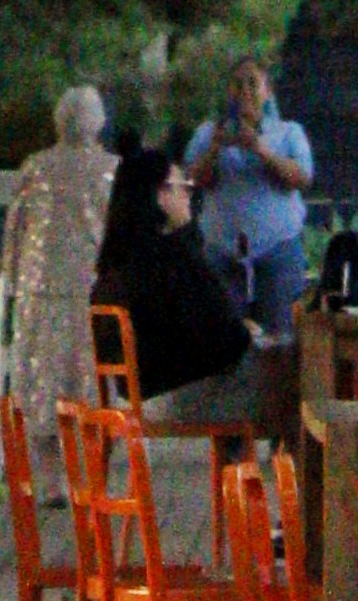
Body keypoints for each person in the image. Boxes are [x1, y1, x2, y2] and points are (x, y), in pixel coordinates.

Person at [95, 140, 277, 431]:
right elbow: (227, 341)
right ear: (160, 195)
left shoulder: (115, 263)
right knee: (282, 376)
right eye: (185, 187)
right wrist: (245, 332)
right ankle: (261, 472)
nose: (190, 196)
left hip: (132, 396)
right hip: (175, 398)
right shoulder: (174, 258)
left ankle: (235, 469)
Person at [0, 83, 112, 491]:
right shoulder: (110, 170)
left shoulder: (36, 166)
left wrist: (10, 276)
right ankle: (89, 476)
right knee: (87, 380)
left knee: (43, 381)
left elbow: (15, 225)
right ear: (98, 122)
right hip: (91, 287)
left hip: (39, 284)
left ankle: (51, 479)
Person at [183, 56, 314, 332]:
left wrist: (260, 149)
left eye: (253, 84)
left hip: (278, 252)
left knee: (280, 339)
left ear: (267, 91)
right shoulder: (208, 133)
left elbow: (301, 178)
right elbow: (194, 180)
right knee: (223, 340)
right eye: (237, 84)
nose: (244, 91)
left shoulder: (289, 133)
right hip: (222, 253)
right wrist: (215, 148)